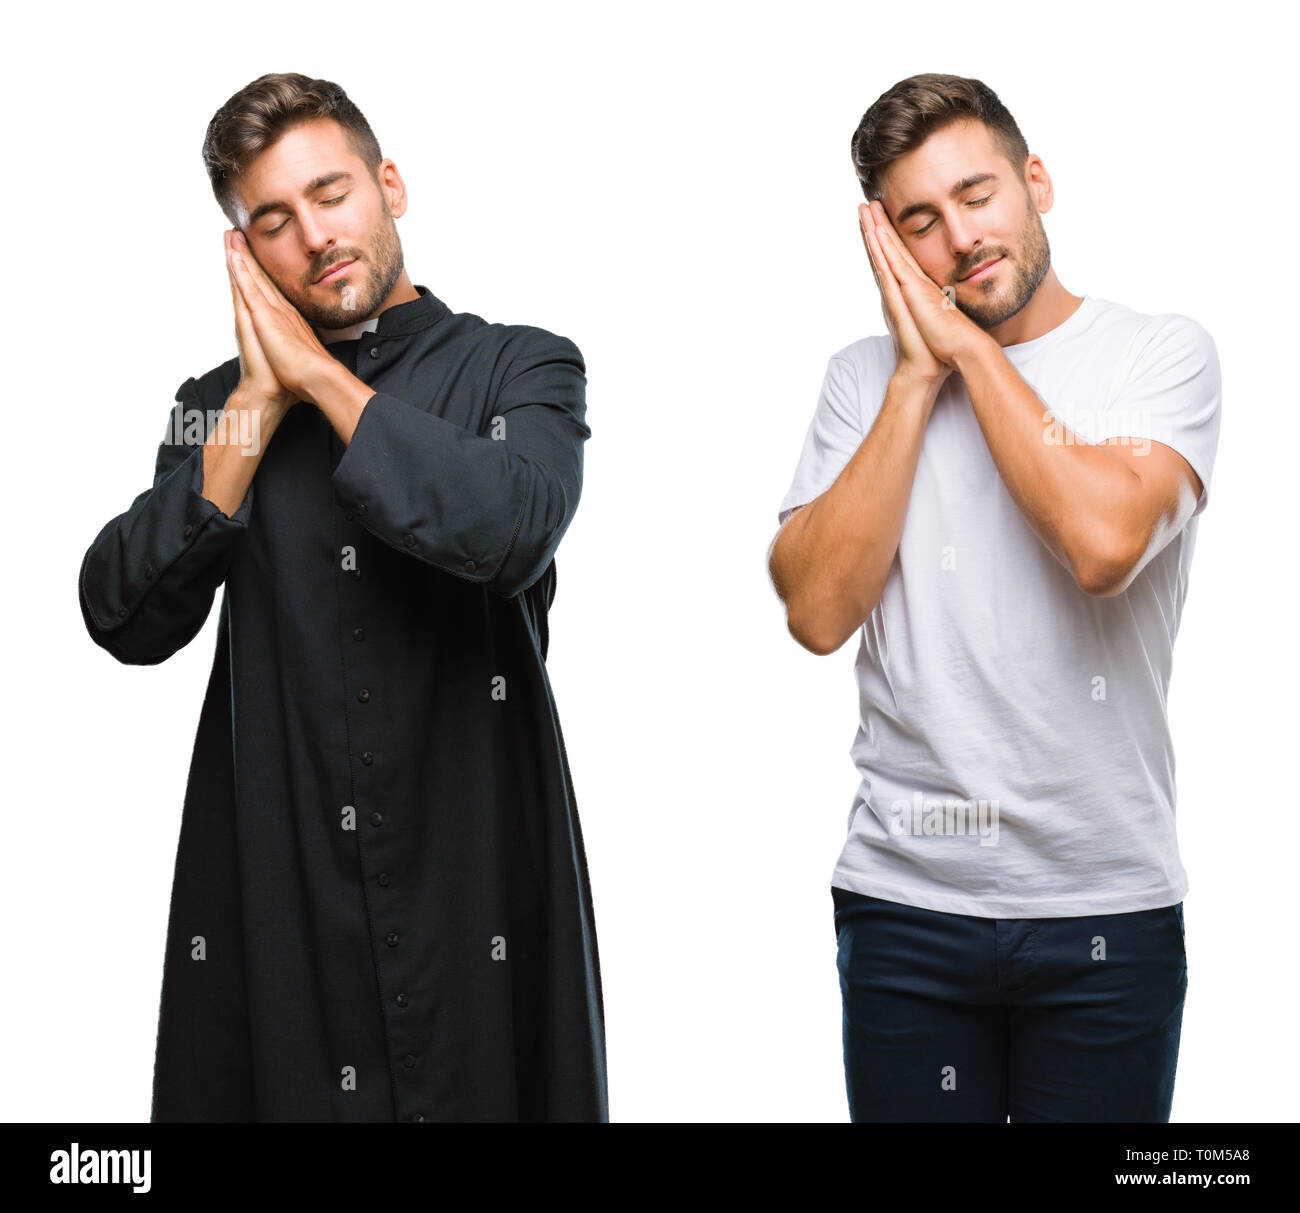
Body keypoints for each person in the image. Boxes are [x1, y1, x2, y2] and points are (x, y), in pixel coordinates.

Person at [78, 72, 607, 1123]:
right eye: (272, 220)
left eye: (332, 194)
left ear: (390, 186)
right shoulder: (212, 410)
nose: (315, 235)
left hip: (477, 883)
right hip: (282, 892)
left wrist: (316, 378)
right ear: (245, 249)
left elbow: (506, 524)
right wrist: (256, 401)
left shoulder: (520, 368)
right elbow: (124, 613)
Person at [768, 73, 1220, 1123]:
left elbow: (1104, 542)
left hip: (1105, 909)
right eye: (919, 221)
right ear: (887, 244)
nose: (960, 237)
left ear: (1036, 181)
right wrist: (915, 379)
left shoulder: (1160, 353)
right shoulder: (862, 379)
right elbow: (817, 612)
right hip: (905, 904)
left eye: (977, 196)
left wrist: (964, 346)